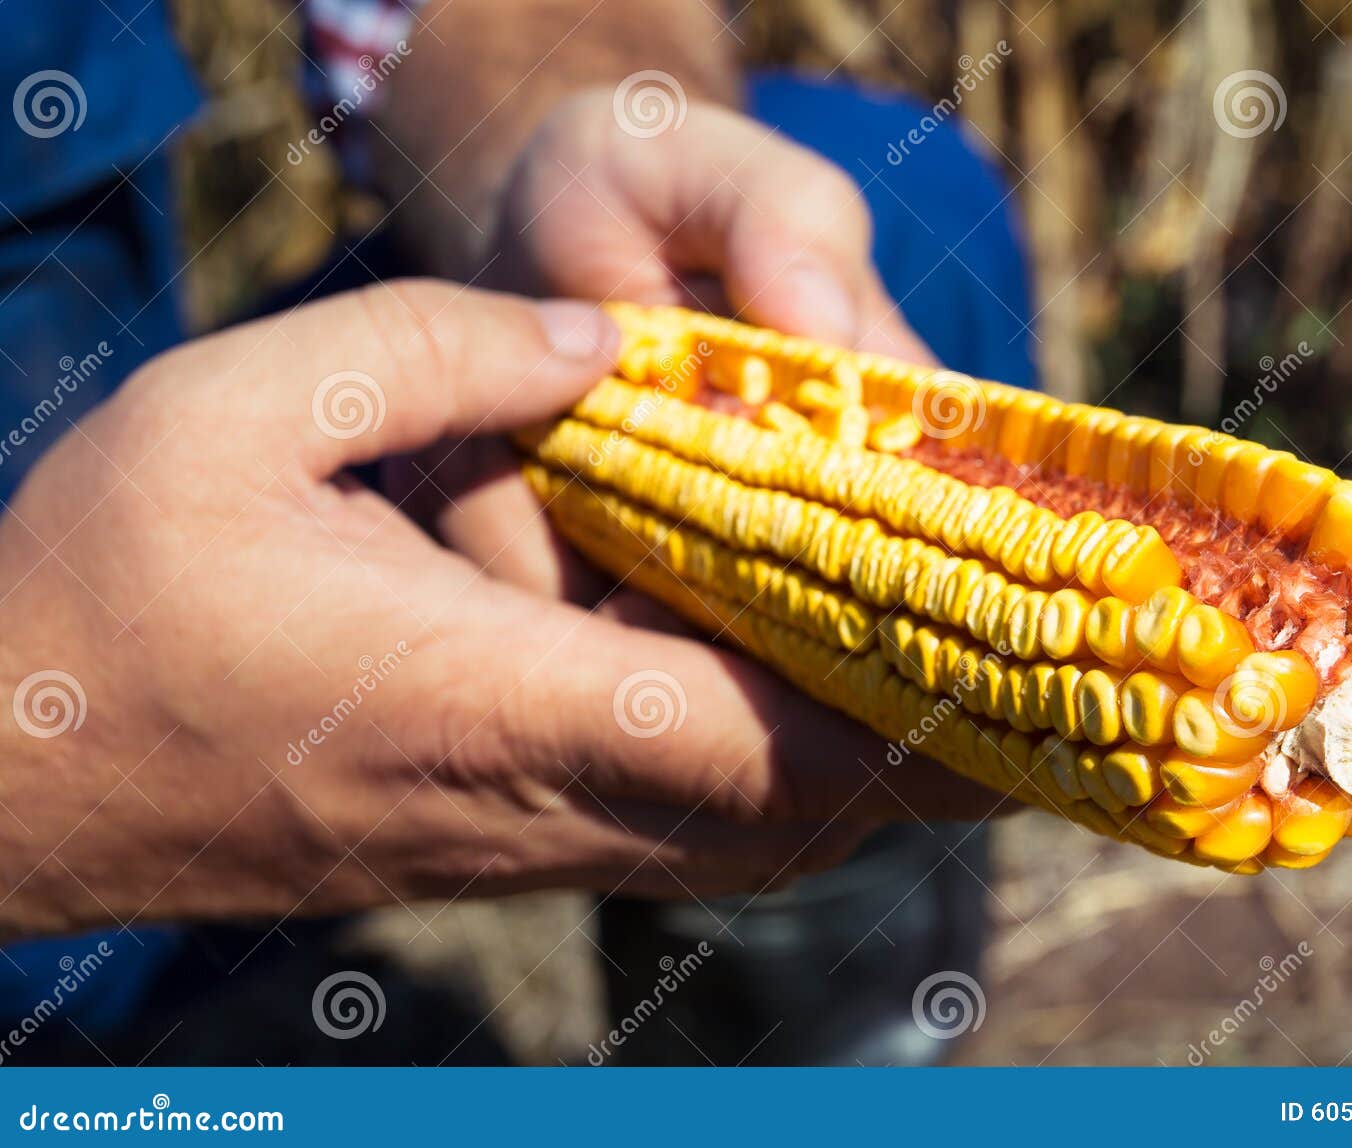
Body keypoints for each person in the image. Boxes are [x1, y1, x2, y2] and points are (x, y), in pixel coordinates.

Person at [0, 0, 1033, 1062]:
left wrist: (551, 141)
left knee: (895, 199)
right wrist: (43, 775)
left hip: (119, 438)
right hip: (64, 662)